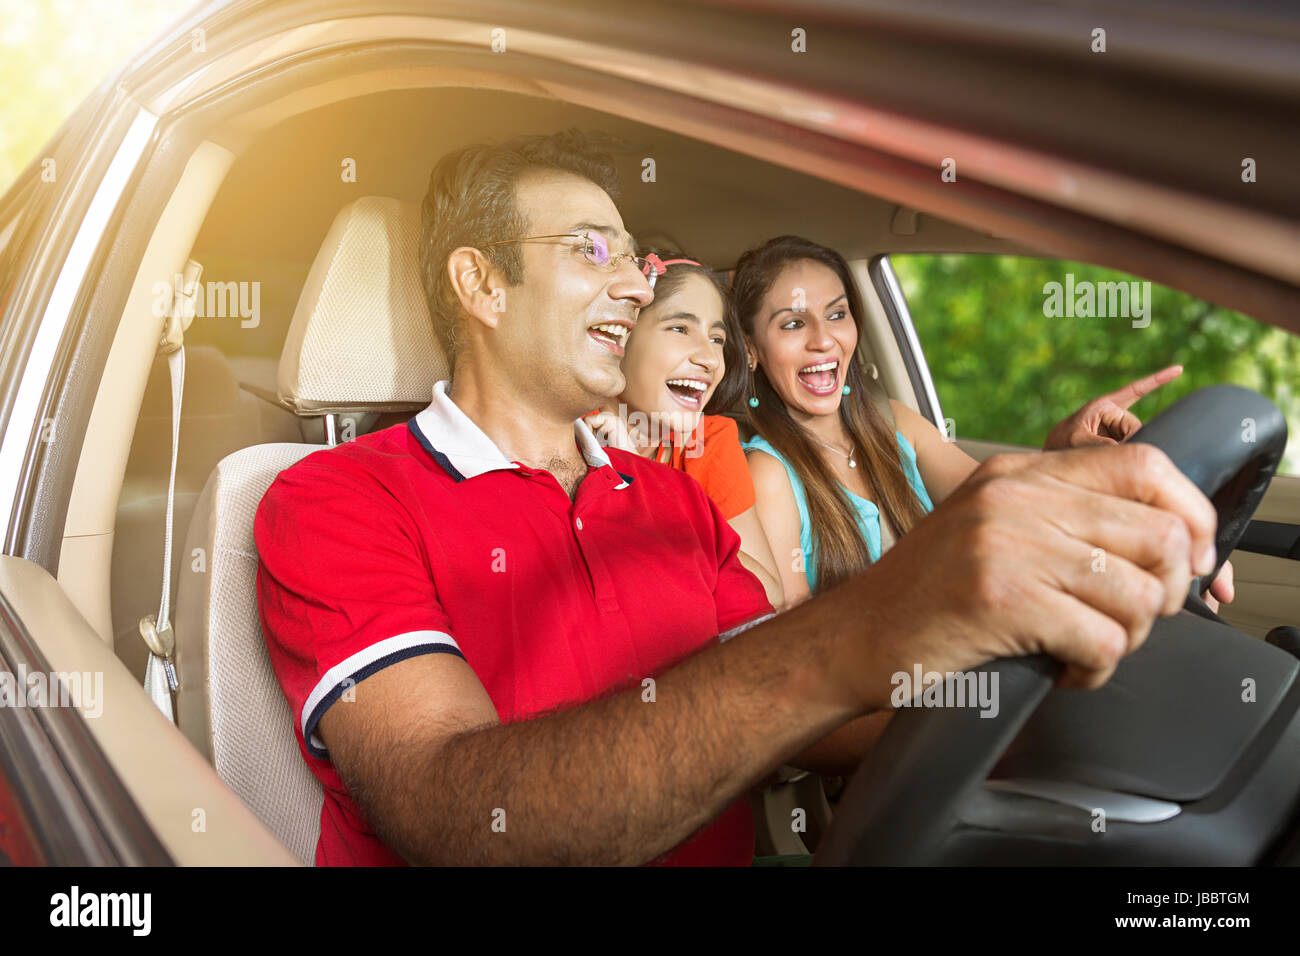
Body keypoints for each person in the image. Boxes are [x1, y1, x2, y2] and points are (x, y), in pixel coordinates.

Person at [254, 130, 1220, 866]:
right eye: (592, 251)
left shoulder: (670, 503)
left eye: (636, 260)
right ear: (482, 283)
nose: (636, 286)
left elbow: (808, 720)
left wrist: (1026, 674)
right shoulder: (335, 501)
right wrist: (876, 624)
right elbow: (449, 806)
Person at [733, 234, 1235, 611]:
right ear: (752, 350)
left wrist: (1064, 456)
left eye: (837, 314)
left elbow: (992, 494)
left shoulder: (893, 422)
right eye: (794, 324)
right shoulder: (769, 474)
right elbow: (793, 641)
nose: (824, 340)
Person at [584, 251, 782, 606]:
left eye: (717, 339)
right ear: (621, 334)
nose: (708, 358)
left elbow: (766, 593)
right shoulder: (568, 432)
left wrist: (643, 486)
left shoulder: (709, 442)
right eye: (679, 328)